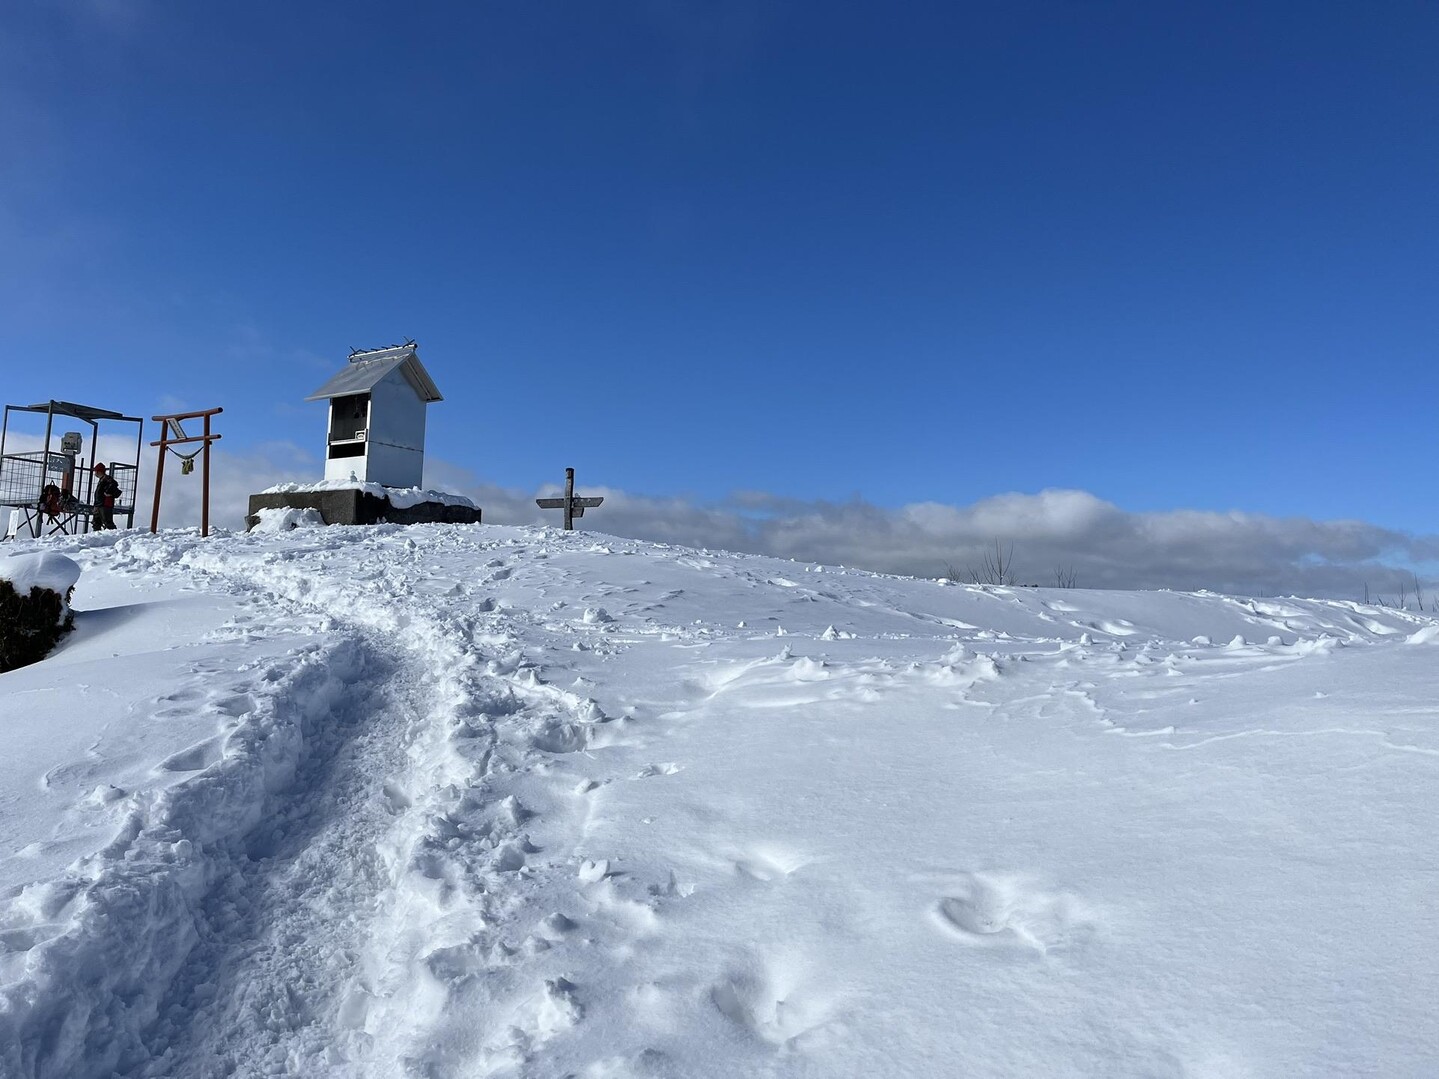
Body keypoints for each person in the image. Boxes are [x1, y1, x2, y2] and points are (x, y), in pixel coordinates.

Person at [92, 463, 121, 531]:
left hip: (104, 504)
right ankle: (97, 535)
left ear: (99, 471)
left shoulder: (107, 479)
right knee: (96, 522)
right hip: (99, 504)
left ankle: (112, 535)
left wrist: (108, 492)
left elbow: (114, 484)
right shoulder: (103, 479)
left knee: (108, 523)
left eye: (95, 471)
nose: (95, 473)